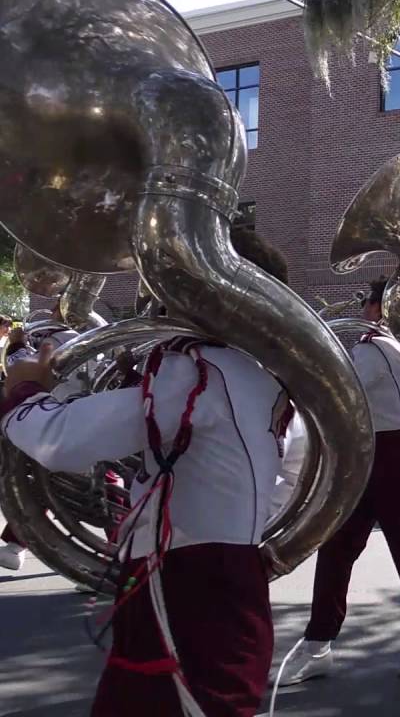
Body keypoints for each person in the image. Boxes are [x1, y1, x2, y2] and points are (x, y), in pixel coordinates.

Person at [0, 232, 294, 715]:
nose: (158, 299)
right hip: (219, 578)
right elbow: (295, 467)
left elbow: (63, 441)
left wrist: (24, 393)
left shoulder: (196, 372)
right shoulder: (262, 373)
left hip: (186, 591)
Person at [283, 279, 400, 685]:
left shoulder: (372, 347)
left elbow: (339, 395)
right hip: (379, 455)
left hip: (387, 458)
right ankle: (317, 644)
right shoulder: (391, 346)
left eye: (367, 302)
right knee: (339, 549)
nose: (361, 308)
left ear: (382, 307)